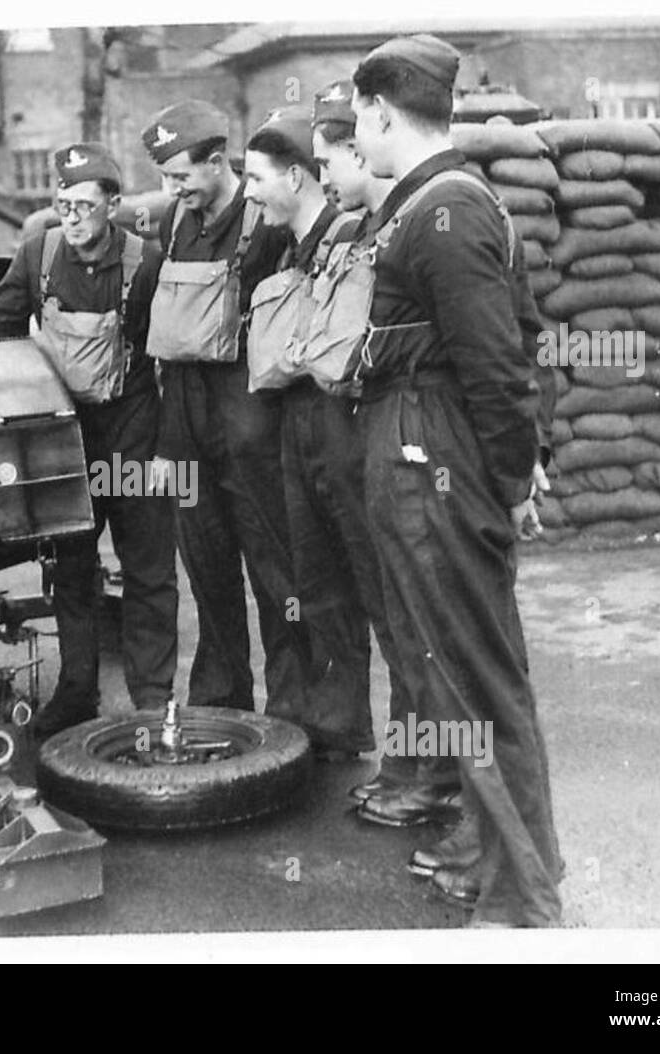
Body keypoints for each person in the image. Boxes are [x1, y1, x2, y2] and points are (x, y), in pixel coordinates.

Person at [346, 35, 563, 926]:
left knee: (475, 681)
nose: (355, 136)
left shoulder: (445, 211)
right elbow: (518, 336)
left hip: (432, 457)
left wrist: (512, 477)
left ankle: (525, 899)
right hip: (420, 448)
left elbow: (498, 364)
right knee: (456, 672)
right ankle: (491, 859)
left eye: (357, 117)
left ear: (384, 113)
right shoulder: (434, 206)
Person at [0, 143, 178, 738]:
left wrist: (171, 448)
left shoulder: (147, 264)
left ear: (113, 207)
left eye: (84, 206)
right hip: (69, 434)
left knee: (148, 568)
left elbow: (173, 359)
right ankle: (76, 693)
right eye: (62, 204)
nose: (71, 217)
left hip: (134, 430)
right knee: (71, 566)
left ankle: (152, 699)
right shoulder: (39, 253)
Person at [141, 100, 314, 720]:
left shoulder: (265, 224)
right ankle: (221, 700)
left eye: (181, 176)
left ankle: (295, 711)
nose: (172, 190)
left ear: (218, 162)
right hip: (188, 434)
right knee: (208, 576)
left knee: (277, 575)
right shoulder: (174, 226)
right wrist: (167, 446)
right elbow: (170, 350)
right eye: (165, 178)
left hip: (254, 434)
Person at [241, 104, 398, 759]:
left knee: (370, 576)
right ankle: (340, 722)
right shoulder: (285, 243)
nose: (249, 192)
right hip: (297, 427)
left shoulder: (354, 235)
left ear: (299, 177)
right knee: (318, 579)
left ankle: (419, 754)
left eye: (257, 179)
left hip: (341, 424)